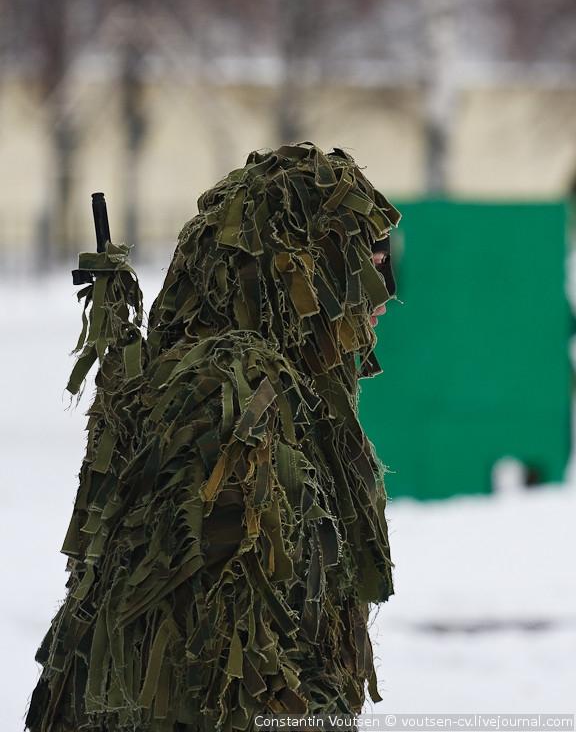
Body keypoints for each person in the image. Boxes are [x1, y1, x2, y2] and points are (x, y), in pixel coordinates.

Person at [25, 142, 401, 732]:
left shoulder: (271, 392)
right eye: (367, 265)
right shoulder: (232, 395)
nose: (384, 295)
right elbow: (221, 657)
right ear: (299, 266)